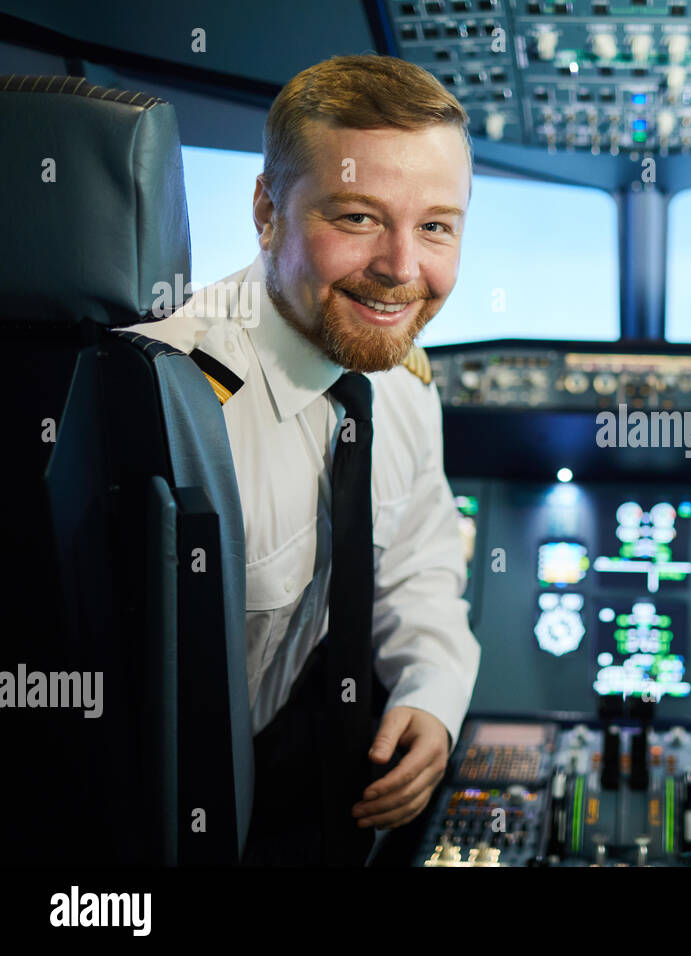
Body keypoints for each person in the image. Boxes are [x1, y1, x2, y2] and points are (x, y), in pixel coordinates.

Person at [124, 55, 480, 865]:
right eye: (356, 217)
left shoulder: (402, 388)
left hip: (321, 769)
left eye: (435, 225)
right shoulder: (164, 409)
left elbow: (419, 564)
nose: (401, 269)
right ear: (266, 210)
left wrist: (434, 692)